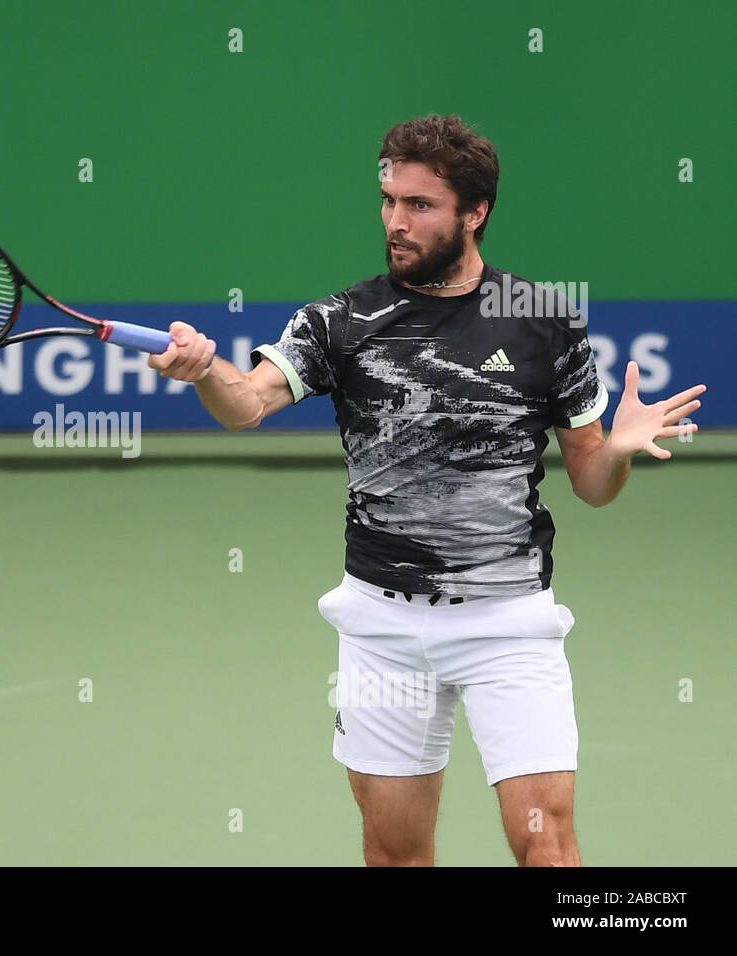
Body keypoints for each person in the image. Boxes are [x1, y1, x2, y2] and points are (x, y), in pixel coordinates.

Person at [149, 114, 706, 866]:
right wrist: (206, 370)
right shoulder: (340, 321)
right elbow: (246, 403)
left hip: (510, 621)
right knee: (395, 853)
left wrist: (624, 451)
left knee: (547, 841)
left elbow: (592, 483)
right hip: (381, 627)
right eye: (389, 201)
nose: (396, 222)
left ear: (474, 214)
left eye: (420, 206)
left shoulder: (544, 321)